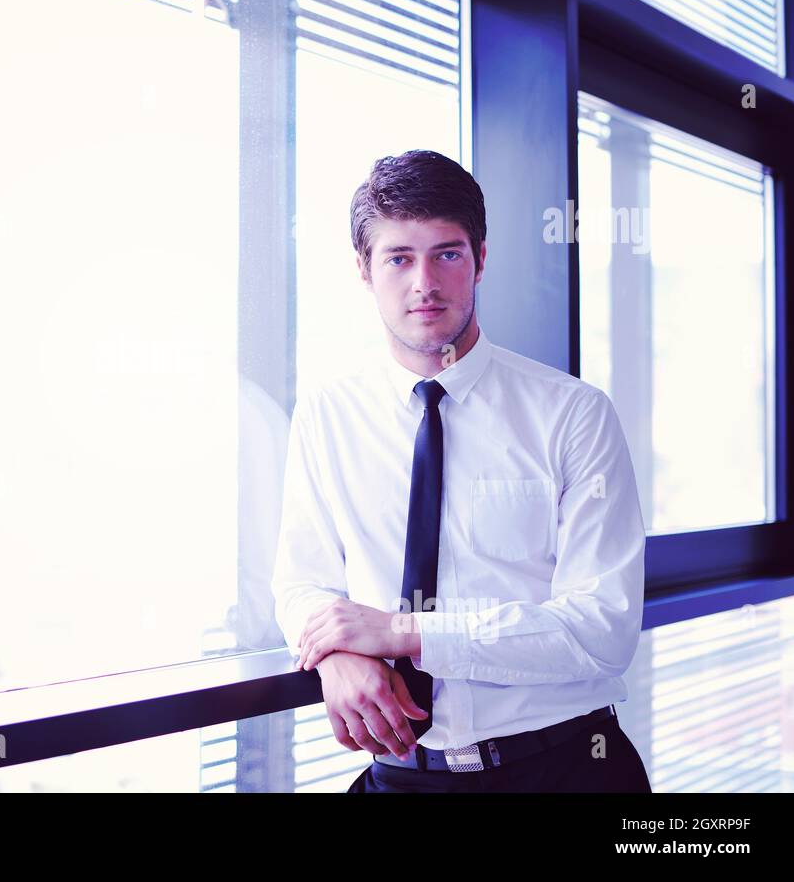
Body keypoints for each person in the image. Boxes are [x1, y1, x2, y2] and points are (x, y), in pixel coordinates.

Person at [270, 150, 652, 792]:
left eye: (447, 254)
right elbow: (302, 585)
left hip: (565, 771)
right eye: (398, 257)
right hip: (402, 777)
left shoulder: (574, 415)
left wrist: (403, 633)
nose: (425, 282)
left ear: (480, 259)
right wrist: (334, 651)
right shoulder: (326, 417)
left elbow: (601, 628)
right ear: (363, 268)